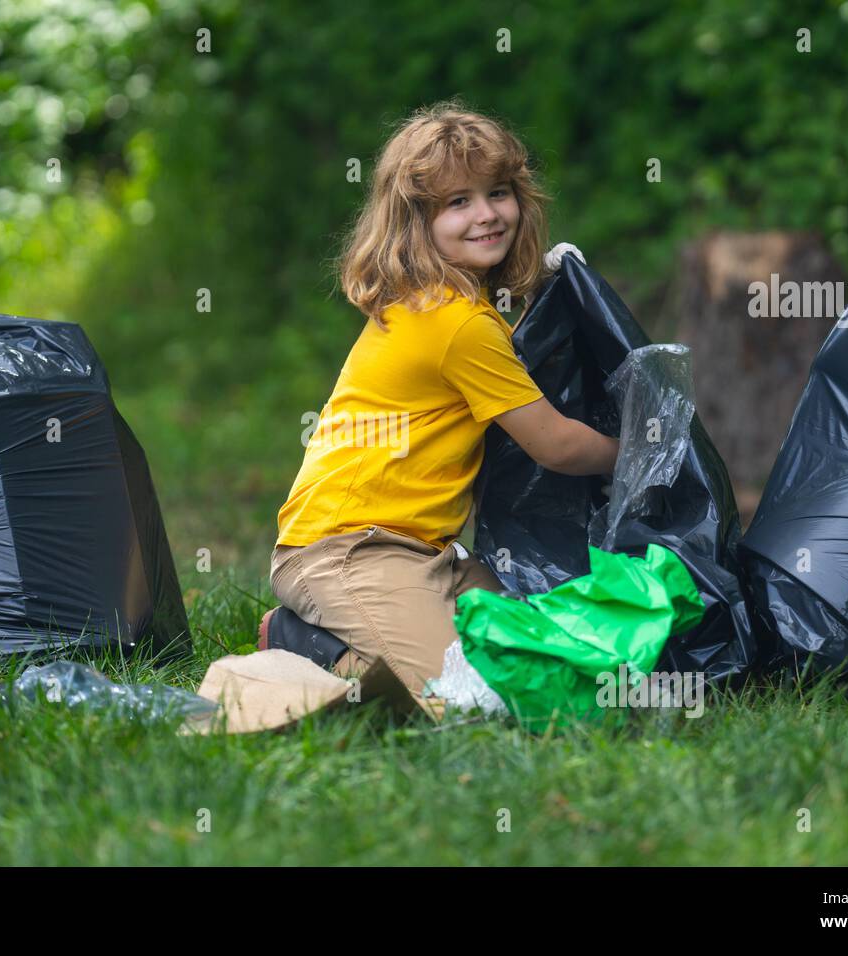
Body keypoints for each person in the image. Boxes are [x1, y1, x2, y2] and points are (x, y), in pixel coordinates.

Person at [260, 99, 619, 718]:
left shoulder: (441, 302)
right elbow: (554, 445)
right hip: (348, 551)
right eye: (458, 203)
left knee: (530, 647)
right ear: (414, 222)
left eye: (498, 193)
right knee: (465, 699)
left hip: (428, 556)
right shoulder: (456, 324)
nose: (486, 214)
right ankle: (304, 645)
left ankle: (344, 632)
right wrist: (640, 451)